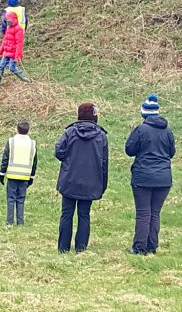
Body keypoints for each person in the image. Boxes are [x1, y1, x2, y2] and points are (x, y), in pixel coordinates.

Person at [55, 103, 109, 253]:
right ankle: (81, 248)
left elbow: (59, 152)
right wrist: (103, 185)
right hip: (90, 182)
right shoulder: (101, 136)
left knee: (66, 213)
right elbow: (104, 163)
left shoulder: (70, 132)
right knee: (84, 214)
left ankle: (63, 248)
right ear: (94, 116)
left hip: (69, 180)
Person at [125, 95, 175, 255]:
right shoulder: (167, 131)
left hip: (143, 177)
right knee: (155, 213)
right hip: (163, 178)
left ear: (144, 115)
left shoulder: (140, 130)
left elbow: (129, 150)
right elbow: (171, 152)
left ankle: (139, 247)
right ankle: (152, 246)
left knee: (143, 213)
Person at [0, 120, 37, 226]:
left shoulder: (12, 141)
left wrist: (1, 173)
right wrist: (32, 176)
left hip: (12, 175)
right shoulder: (32, 143)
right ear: (28, 130)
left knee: (11, 199)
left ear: (17, 129)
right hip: (25, 176)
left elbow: (5, 158)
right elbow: (34, 161)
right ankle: (20, 222)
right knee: (21, 199)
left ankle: (9, 222)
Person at [0, 12, 28, 86]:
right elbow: (5, 41)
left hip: (13, 53)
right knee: (1, 66)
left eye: (9, 19)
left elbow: (19, 44)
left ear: (14, 19)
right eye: (7, 19)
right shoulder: (8, 28)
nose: (8, 21)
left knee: (12, 68)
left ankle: (25, 79)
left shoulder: (19, 29)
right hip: (6, 52)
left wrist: (17, 55)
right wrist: (1, 50)